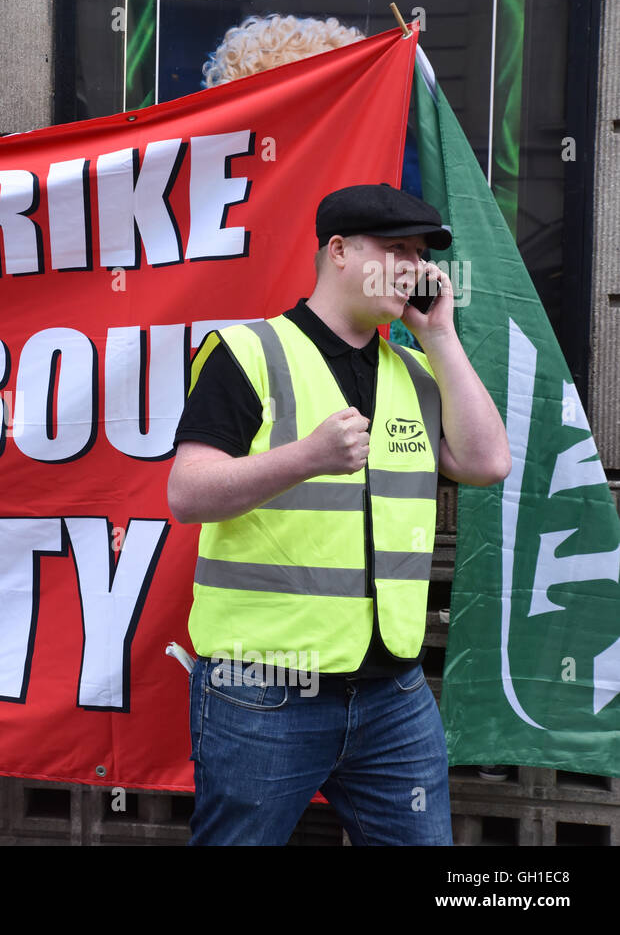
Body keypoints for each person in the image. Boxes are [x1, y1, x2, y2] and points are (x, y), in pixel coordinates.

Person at [166, 184, 511, 845]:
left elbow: (489, 460)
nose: (412, 266)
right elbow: (188, 493)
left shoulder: (413, 369)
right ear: (340, 250)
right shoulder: (246, 352)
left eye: (419, 253)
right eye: (395, 249)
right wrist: (306, 456)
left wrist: (439, 333)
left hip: (393, 693)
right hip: (263, 689)